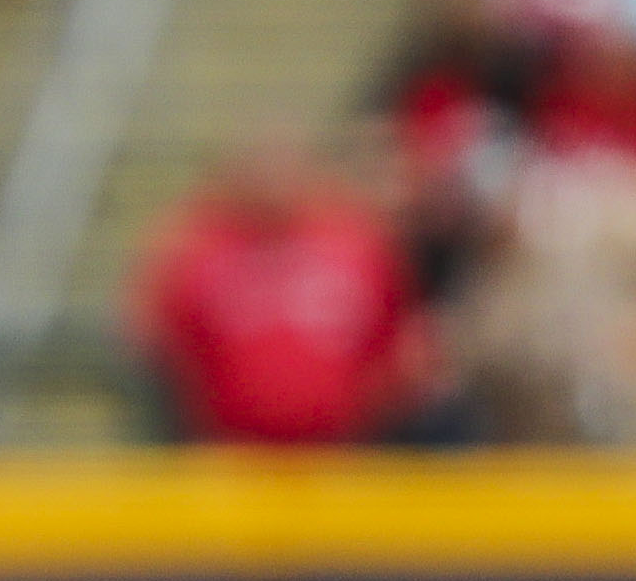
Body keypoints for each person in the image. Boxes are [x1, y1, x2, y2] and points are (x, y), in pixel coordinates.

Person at [128, 133, 428, 445]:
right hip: (227, 455)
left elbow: (399, 340)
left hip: (342, 453)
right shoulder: (199, 247)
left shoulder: (355, 242)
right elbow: (154, 332)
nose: (271, 180)